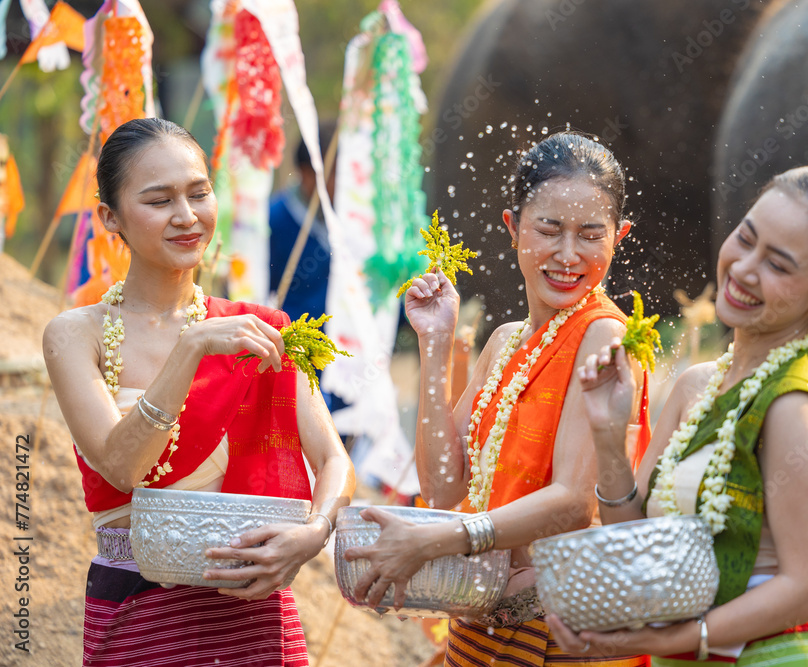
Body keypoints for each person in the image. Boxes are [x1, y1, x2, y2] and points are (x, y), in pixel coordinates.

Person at [42, 117, 355, 666]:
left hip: (255, 613)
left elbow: (334, 459)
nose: (187, 217)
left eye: (199, 193)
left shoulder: (258, 330)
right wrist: (191, 349)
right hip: (138, 617)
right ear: (109, 218)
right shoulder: (76, 334)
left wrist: (314, 532)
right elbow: (121, 466)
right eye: (159, 200)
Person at [547, 166, 808, 666]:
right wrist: (608, 437)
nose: (744, 268)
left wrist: (671, 639)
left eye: (779, 265)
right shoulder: (695, 386)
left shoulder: (794, 409)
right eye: (745, 239)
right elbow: (639, 543)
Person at [343, 131, 650, 666]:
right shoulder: (506, 341)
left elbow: (573, 502)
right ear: (513, 228)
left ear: (619, 236)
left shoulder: (607, 337)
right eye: (549, 229)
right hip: (483, 620)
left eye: (590, 235)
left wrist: (440, 542)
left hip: (566, 630)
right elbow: (443, 486)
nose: (568, 255)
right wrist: (435, 347)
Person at [268, 121, 351, 415]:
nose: (342, 182)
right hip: (298, 359)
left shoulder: (354, 221)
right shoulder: (274, 221)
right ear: (307, 172)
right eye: (334, 173)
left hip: (346, 358)